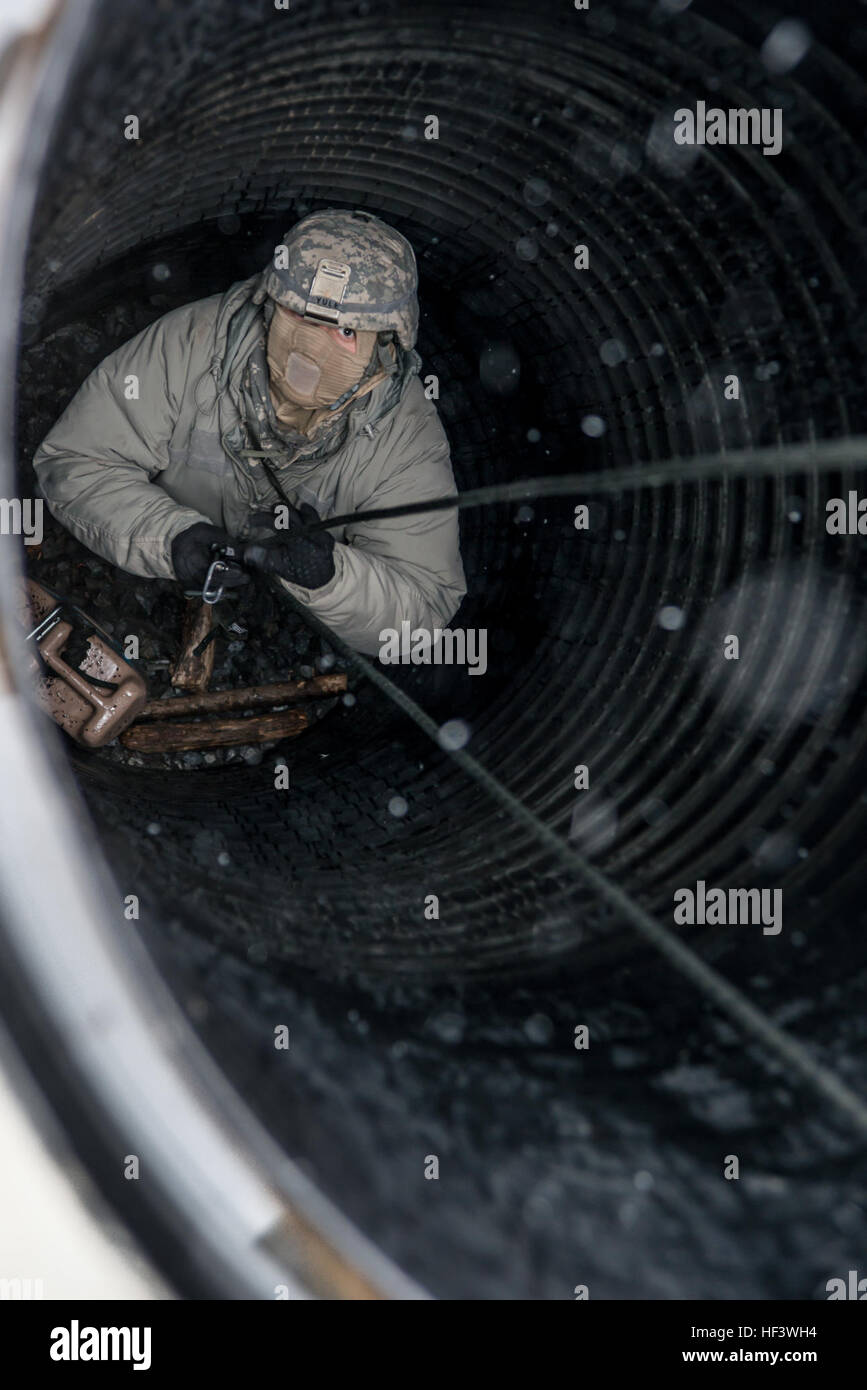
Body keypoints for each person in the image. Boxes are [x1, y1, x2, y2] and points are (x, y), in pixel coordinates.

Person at [33, 208, 466, 655]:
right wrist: (171, 539)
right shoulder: (190, 345)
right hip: (160, 564)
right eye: (302, 317)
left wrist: (331, 578)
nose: (312, 348)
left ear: (387, 342)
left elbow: (424, 610)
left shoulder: (404, 436)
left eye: (348, 331)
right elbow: (76, 460)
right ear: (271, 304)